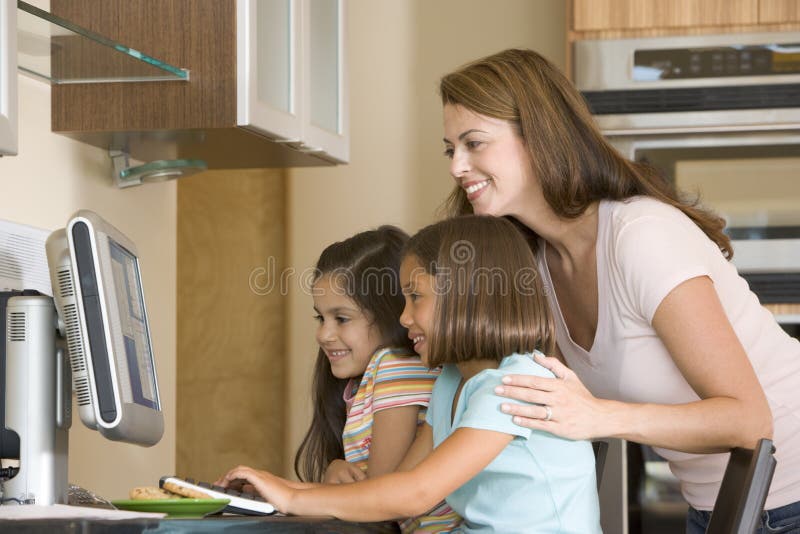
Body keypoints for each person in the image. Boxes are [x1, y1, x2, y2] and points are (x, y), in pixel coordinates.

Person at [438, 48, 800, 533]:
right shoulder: (537, 267)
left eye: (474, 143)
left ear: (538, 136)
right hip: (719, 507)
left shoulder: (641, 236)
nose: (457, 166)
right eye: (450, 149)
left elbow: (750, 423)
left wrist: (598, 416)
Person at [218, 215, 602, 534]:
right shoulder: (452, 380)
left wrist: (293, 497)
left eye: (415, 297)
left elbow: (416, 492)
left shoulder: (515, 384)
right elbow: (396, 486)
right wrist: (280, 488)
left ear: (467, 295)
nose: (402, 318)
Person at [294, 226, 460, 532]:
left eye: (341, 319)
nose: (323, 334)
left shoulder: (397, 366)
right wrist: (335, 473)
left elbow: (382, 490)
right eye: (321, 318)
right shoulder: (369, 378)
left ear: (390, 313)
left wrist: (323, 488)